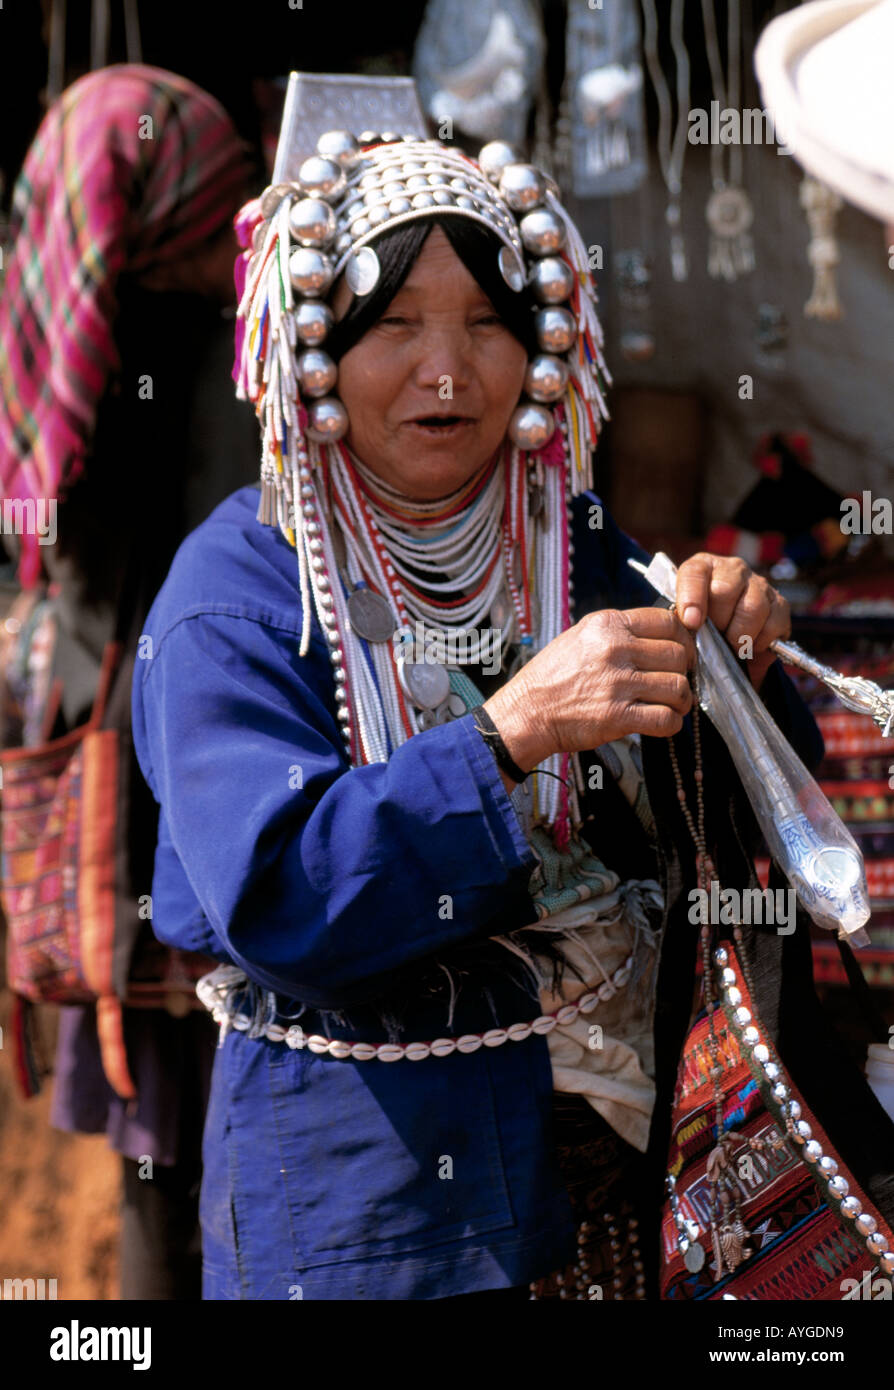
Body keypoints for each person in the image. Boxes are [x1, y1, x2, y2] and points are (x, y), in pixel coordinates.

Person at [131, 124, 894, 1300]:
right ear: (311, 352)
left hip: (625, 1205)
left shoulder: (572, 547)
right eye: (395, 327)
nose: (452, 370)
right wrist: (506, 736)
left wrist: (738, 674)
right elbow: (276, 892)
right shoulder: (238, 599)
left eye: (488, 323)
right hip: (375, 1225)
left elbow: (739, 836)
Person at [0, 64, 259, 1298]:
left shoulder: (54, 330)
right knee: (192, 1136)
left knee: (165, 1143)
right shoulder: (170, 353)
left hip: (116, 780)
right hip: (167, 799)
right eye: (218, 194)